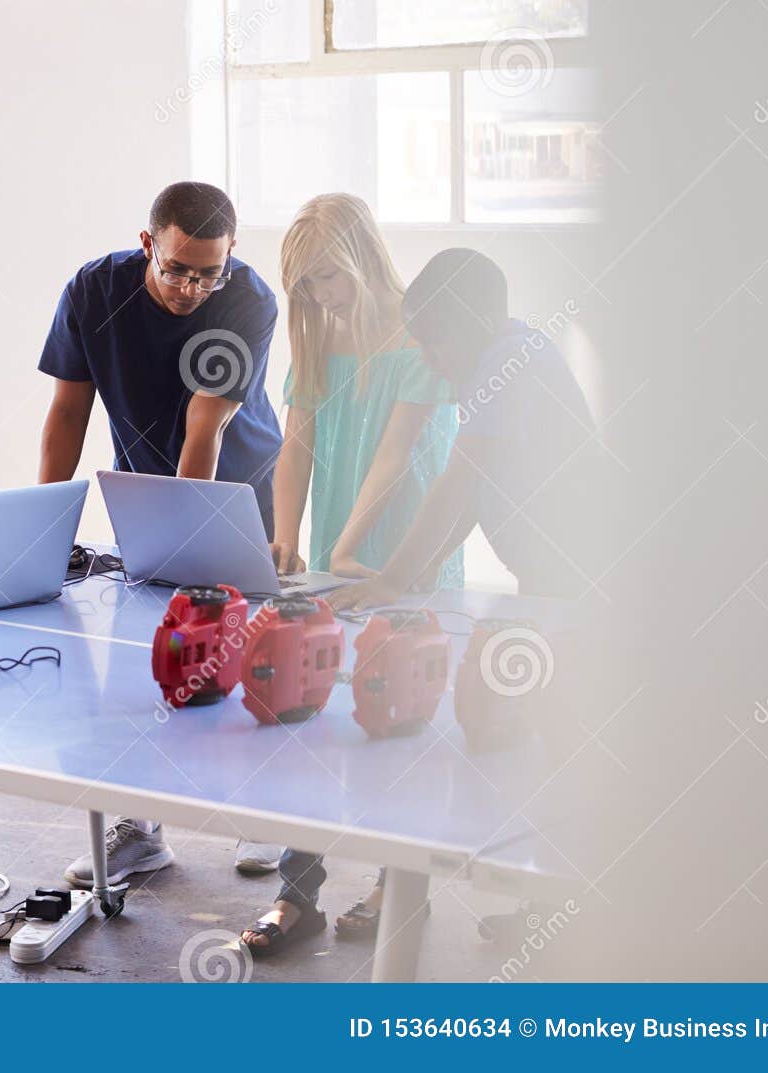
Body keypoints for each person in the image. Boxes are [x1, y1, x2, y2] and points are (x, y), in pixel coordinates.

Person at [37, 180, 283, 888]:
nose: (191, 287)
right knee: (145, 658)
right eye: (177, 268)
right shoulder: (94, 289)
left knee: (245, 653)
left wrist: (189, 545)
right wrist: (52, 525)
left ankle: (262, 810)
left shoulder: (248, 299)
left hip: (235, 491)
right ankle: (138, 828)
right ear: (148, 243)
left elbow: (205, 427)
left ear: (231, 256)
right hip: (146, 488)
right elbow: (66, 414)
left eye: (209, 271)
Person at [240, 194, 461, 952]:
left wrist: (347, 545)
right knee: (312, 711)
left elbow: (398, 457)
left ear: (364, 259)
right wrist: (287, 537)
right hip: (340, 542)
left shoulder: (421, 328)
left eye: (329, 278)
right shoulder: (317, 332)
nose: (320, 296)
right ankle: (297, 892)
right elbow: (294, 445)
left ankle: (398, 889)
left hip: (401, 544)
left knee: (403, 707)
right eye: (306, 286)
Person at [327, 247, 598, 614]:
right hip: (547, 569)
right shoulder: (501, 358)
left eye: (435, 343)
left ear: (479, 325)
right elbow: (474, 490)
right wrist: (430, 560)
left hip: (574, 567)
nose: (427, 358)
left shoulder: (509, 364)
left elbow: (457, 483)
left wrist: (391, 581)